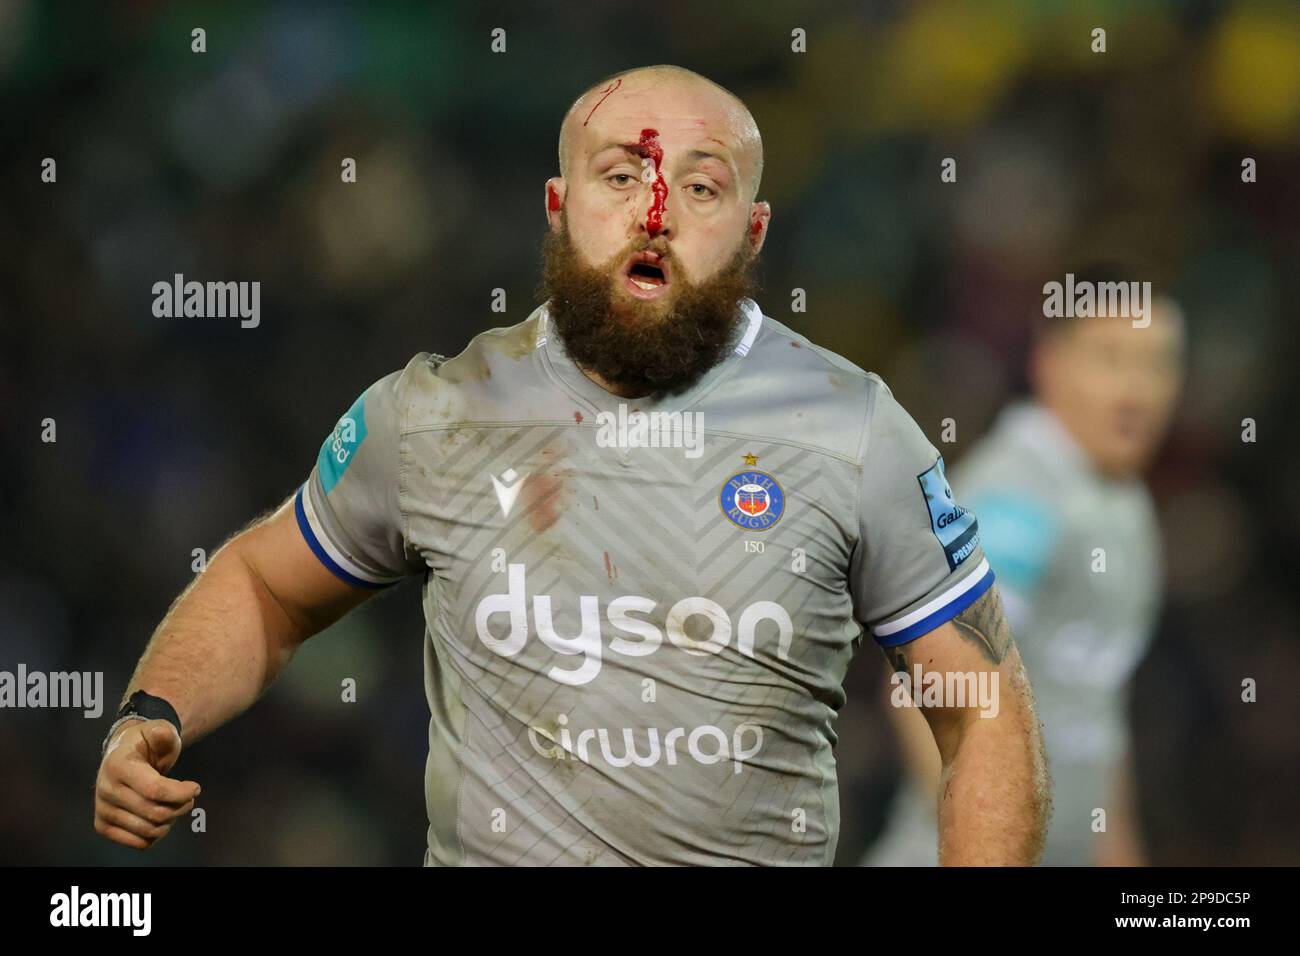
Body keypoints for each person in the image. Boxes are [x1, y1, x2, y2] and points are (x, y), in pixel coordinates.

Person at [94, 64, 1048, 866]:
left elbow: (984, 711)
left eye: (701, 187)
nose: (655, 213)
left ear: (752, 234)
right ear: (560, 207)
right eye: (620, 176)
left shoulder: (853, 431)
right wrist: (153, 709)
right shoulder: (434, 415)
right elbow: (266, 581)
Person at [863, 274, 1185, 866]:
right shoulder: (1019, 497)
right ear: (1051, 364)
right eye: (1111, 359)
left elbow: (1094, 706)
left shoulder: (1124, 503)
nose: (1137, 389)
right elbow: (919, 687)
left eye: (1157, 364)